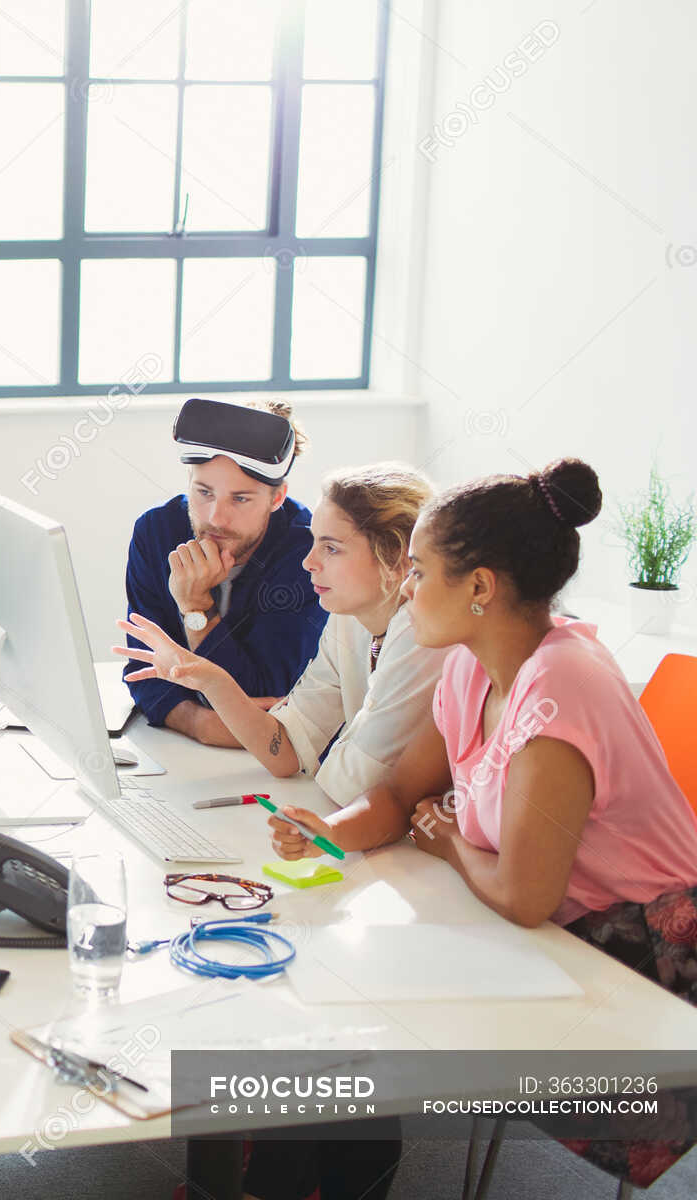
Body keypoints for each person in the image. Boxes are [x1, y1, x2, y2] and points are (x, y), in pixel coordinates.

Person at [269, 458, 697, 1195]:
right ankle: (303, 1173)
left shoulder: (561, 689)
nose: (407, 587)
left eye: (421, 570)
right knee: (334, 981)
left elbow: (524, 895)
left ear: (479, 588)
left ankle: (322, 1173)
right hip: (552, 936)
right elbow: (403, 792)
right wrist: (328, 830)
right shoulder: (470, 662)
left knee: (365, 1010)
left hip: (646, 969)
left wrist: (450, 843)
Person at [114, 463, 446, 805]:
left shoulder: (418, 635)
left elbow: (352, 786)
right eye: (314, 542)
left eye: (330, 548)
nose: (308, 562)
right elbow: (286, 752)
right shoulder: (347, 618)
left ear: (395, 559)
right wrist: (209, 678)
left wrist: (317, 758)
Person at [124, 398, 329, 746]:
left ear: (277, 498)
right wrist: (201, 724)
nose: (215, 518)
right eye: (203, 492)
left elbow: (262, 693)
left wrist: (195, 606)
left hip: (271, 767)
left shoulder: (307, 554)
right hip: (183, 749)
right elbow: (145, 673)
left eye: (240, 499)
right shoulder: (156, 533)